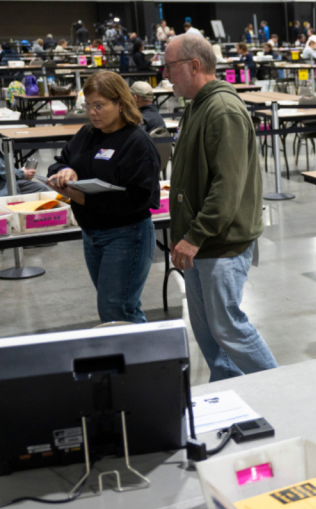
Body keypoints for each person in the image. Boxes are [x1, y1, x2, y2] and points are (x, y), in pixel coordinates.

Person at [162, 34, 277, 381]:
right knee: (209, 333)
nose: (166, 76)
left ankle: (281, 387)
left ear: (194, 66)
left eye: (170, 67)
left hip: (219, 244)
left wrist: (195, 235)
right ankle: (228, 391)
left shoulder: (222, 110)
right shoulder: (198, 105)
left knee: (228, 328)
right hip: (200, 243)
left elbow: (226, 188)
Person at [46, 71, 160, 324]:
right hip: (92, 234)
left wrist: (85, 199)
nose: (93, 112)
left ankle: (143, 361)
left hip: (127, 234)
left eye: (99, 105)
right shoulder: (87, 134)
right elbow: (60, 162)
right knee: (115, 308)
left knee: (117, 310)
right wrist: (64, 170)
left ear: (120, 103)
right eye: (89, 106)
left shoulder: (136, 142)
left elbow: (139, 198)